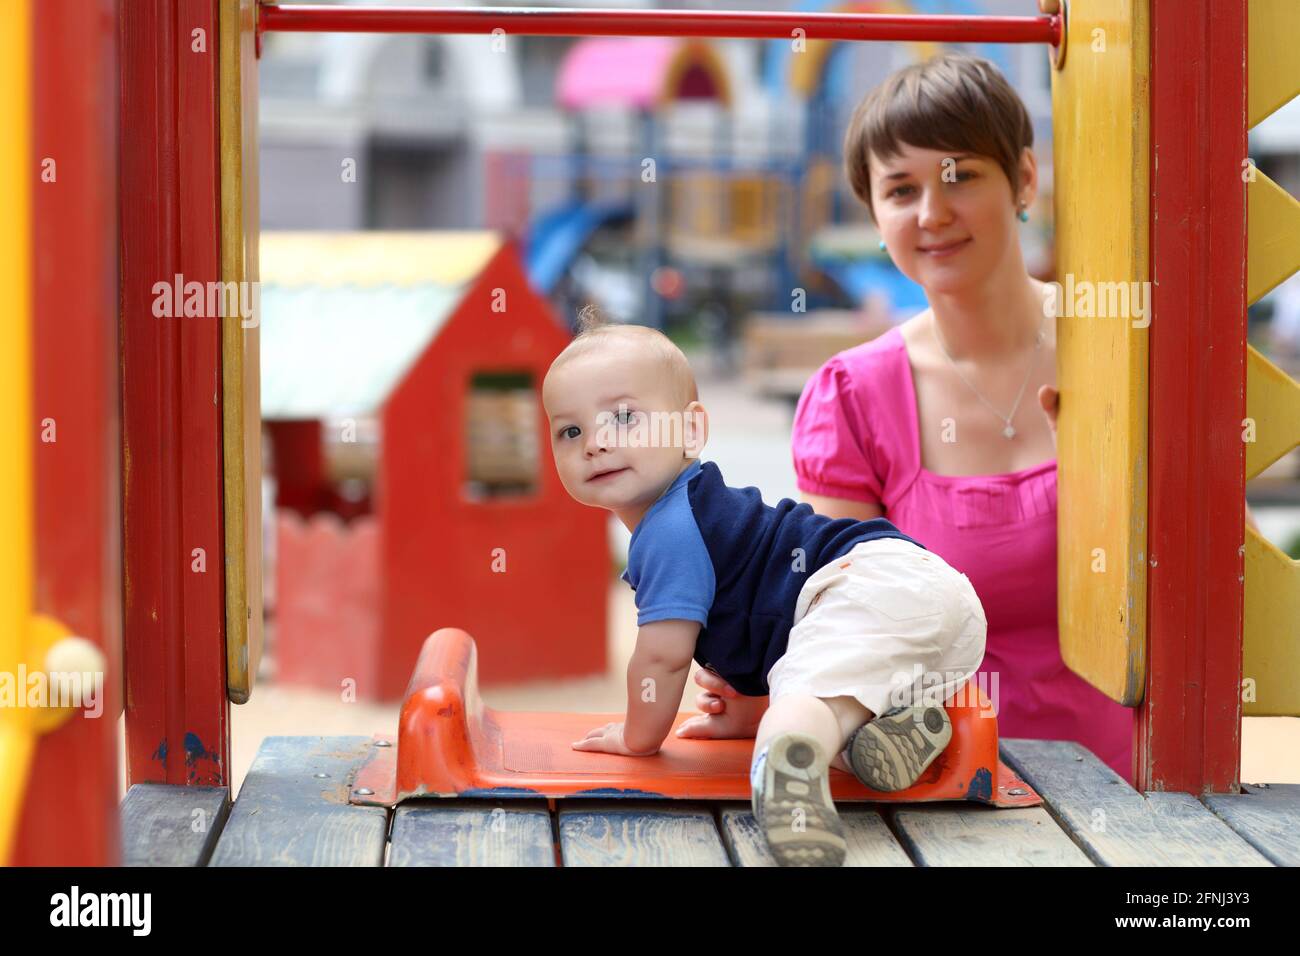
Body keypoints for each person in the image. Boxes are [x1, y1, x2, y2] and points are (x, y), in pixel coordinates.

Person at [679, 52, 1140, 785]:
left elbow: (1198, 573)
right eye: (900, 189)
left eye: (959, 176)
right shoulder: (856, 398)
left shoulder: (1125, 352)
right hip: (930, 789)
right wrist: (768, 686)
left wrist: (1106, 488)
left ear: (1024, 179)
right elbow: (844, 617)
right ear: (875, 213)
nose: (931, 213)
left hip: (1133, 788)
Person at [542, 312, 987, 866]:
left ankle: (788, 786)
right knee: (828, 696)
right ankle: (872, 739)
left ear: (691, 430)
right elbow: (772, 615)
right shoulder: (706, 507)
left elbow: (662, 657)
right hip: (937, 610)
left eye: (625, 417)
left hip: (866, 584)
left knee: (801, 704)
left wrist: (638, 737)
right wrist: (751, 707)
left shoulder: (668, 529)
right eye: (571, 430)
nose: (595, 443)